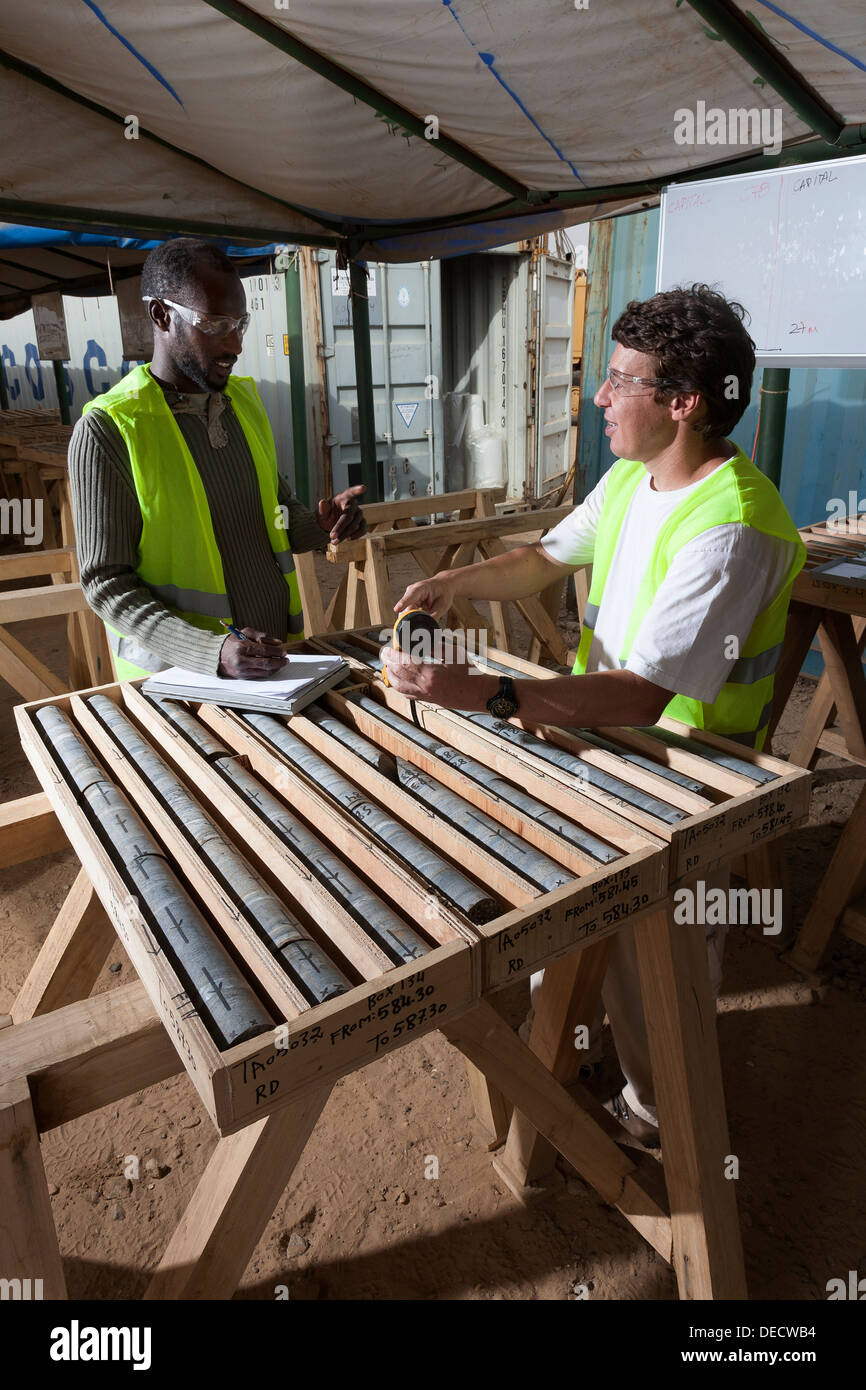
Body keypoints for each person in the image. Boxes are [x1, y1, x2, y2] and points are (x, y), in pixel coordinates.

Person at [383, 283, 806, 1145]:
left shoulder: (734, 530)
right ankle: (569, 1052)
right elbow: (544, 557)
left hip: (695, 774)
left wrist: (495, 694)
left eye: (620, 381)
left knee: (663, 963)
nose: (600, 397)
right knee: (570, 928)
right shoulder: (631, 477)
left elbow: (649, 692)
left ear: (683, 403)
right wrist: (449, 584)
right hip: (609, 745)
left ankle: (656, 1112)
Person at [69, 238, 366, 682]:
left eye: (240, 324)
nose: (234, 344)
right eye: (213, 324)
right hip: (179, 682)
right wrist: (211, 651)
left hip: (271, 664)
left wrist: (319, 526)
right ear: (161, 316)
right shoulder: (109, 430)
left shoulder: (243, 403)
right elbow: (105, 583)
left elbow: (274, 513)